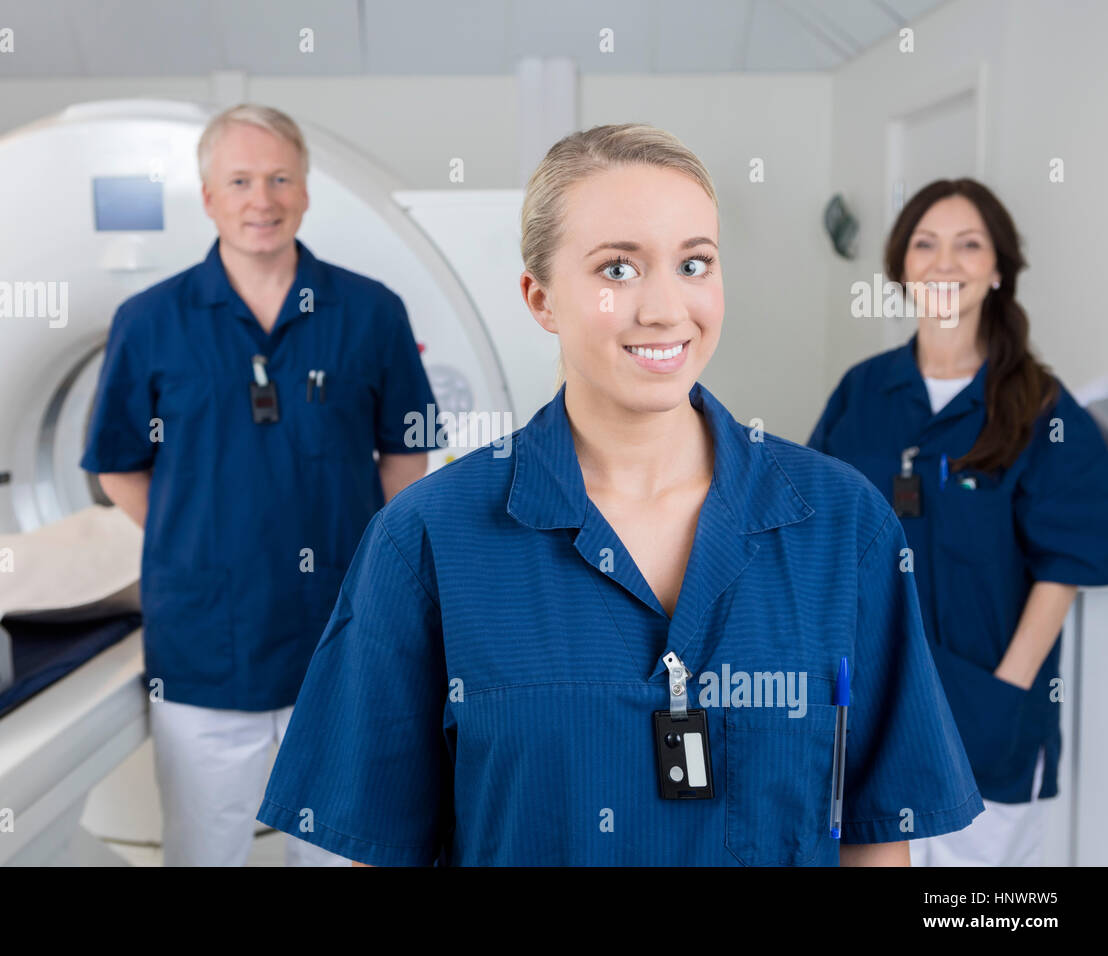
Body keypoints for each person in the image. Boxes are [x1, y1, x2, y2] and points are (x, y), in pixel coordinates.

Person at [254, 123, 984, 866]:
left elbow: (874, 838)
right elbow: (381, 846)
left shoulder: (843, 526)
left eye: (693, 263)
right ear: (541, 299)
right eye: (618, 270)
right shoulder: (426, 541)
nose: (666, 308)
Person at [80, 104, 436, 866]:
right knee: (204, 851)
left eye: (279, 178)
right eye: (239, 180)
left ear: (305, 190)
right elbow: (117, 466)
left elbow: (407, 463)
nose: (261, 199)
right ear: (208, 196)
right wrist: (198, 544)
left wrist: (381, 578)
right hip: (207, 637)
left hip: (342, 629)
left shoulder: (370, 312)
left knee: (342, 850)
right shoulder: (149, 319)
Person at [808, 178, 1108, 866]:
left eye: (968, 245)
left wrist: (1004, 694)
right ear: (901, 266)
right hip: (870, 707)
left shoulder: (1041, 408)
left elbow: (1062, 568)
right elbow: (819, 533)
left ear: (998, 269)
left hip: (988, 717)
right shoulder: (863, 391)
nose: (945, 262)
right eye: (926, 244)